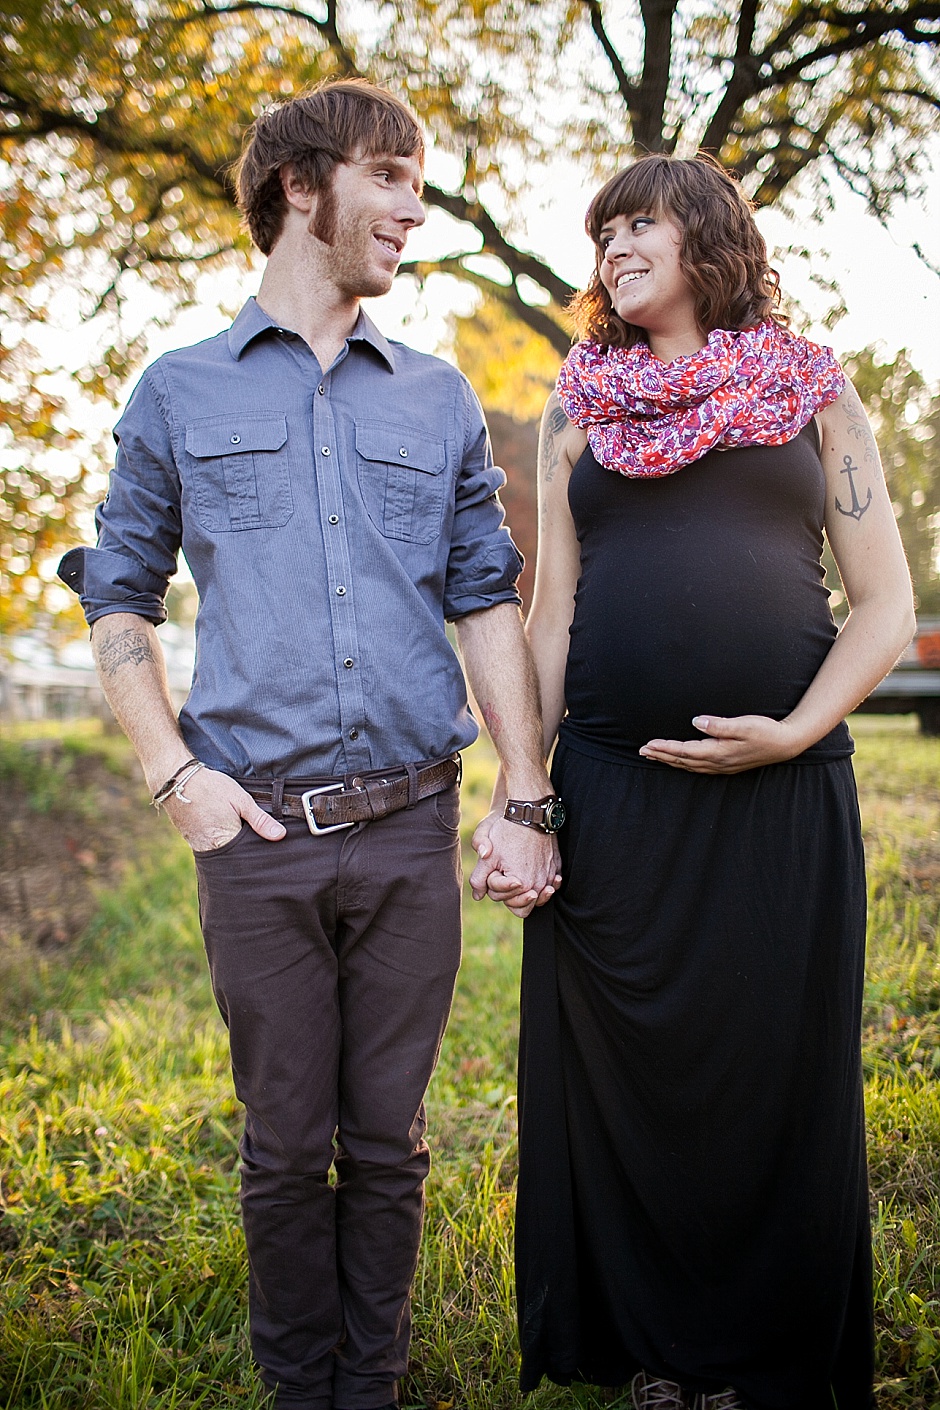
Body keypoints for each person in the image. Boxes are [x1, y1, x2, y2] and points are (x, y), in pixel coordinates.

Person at [58, 79, 561, 1410]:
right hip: (257, 832)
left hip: (408, 826)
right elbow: (119, 593)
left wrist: (527, 791)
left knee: (389, 1143)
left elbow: (484, 598)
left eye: (418, 183)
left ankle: (373, 1383)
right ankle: (299, 1386)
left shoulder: (442, 402)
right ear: (301, 187)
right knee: (285, 1147)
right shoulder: (176, 392)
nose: (414, 208)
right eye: (390, 178)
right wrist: (176, 778)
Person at [474, 155, 914, 1410]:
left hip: (782, 799)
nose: (612, 243)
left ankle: (765, 1358)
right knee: (628, 1083)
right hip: (616, 799)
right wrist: (523, 794)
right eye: (601, 228)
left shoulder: (812, 393)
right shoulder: (577, 409)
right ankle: (655, 1355)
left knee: (772, 1077)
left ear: (708, 235)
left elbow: (885, 607)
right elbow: (550, 612)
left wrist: (794, 729)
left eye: (640, 221)